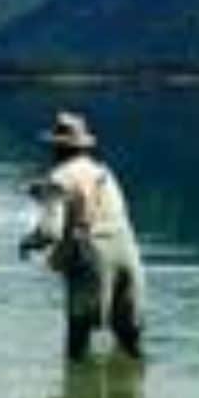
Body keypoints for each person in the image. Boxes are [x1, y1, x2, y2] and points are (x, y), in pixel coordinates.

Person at [19, 112, 145, 361]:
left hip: (93, 259)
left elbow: (50, 232)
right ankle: (133, 385)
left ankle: (76, 394)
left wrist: (28, 242)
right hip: (128, 254)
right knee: (129, 338)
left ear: (57, 149)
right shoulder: (103, 173)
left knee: (78, 340)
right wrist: (43, 191)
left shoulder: (58, 178)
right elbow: (94, 205)